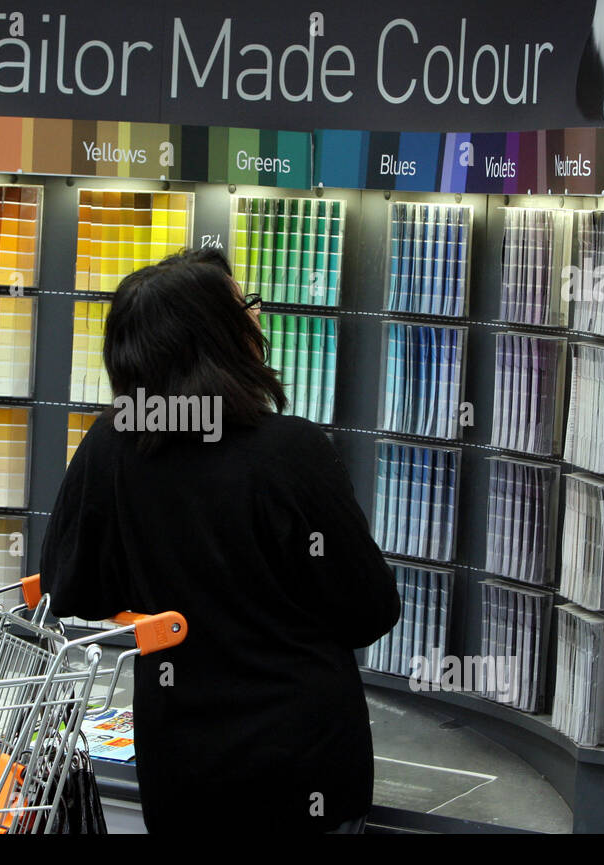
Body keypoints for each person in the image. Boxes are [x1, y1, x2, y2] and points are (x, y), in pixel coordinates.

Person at [40, 248, 400, 834]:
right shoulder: (291, 453)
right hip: (301, 769)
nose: (258, 318)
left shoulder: (111, 446)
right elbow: (370, 611)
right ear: (215, 337)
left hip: (182, 768)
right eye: (247, 307)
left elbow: (69, 586)